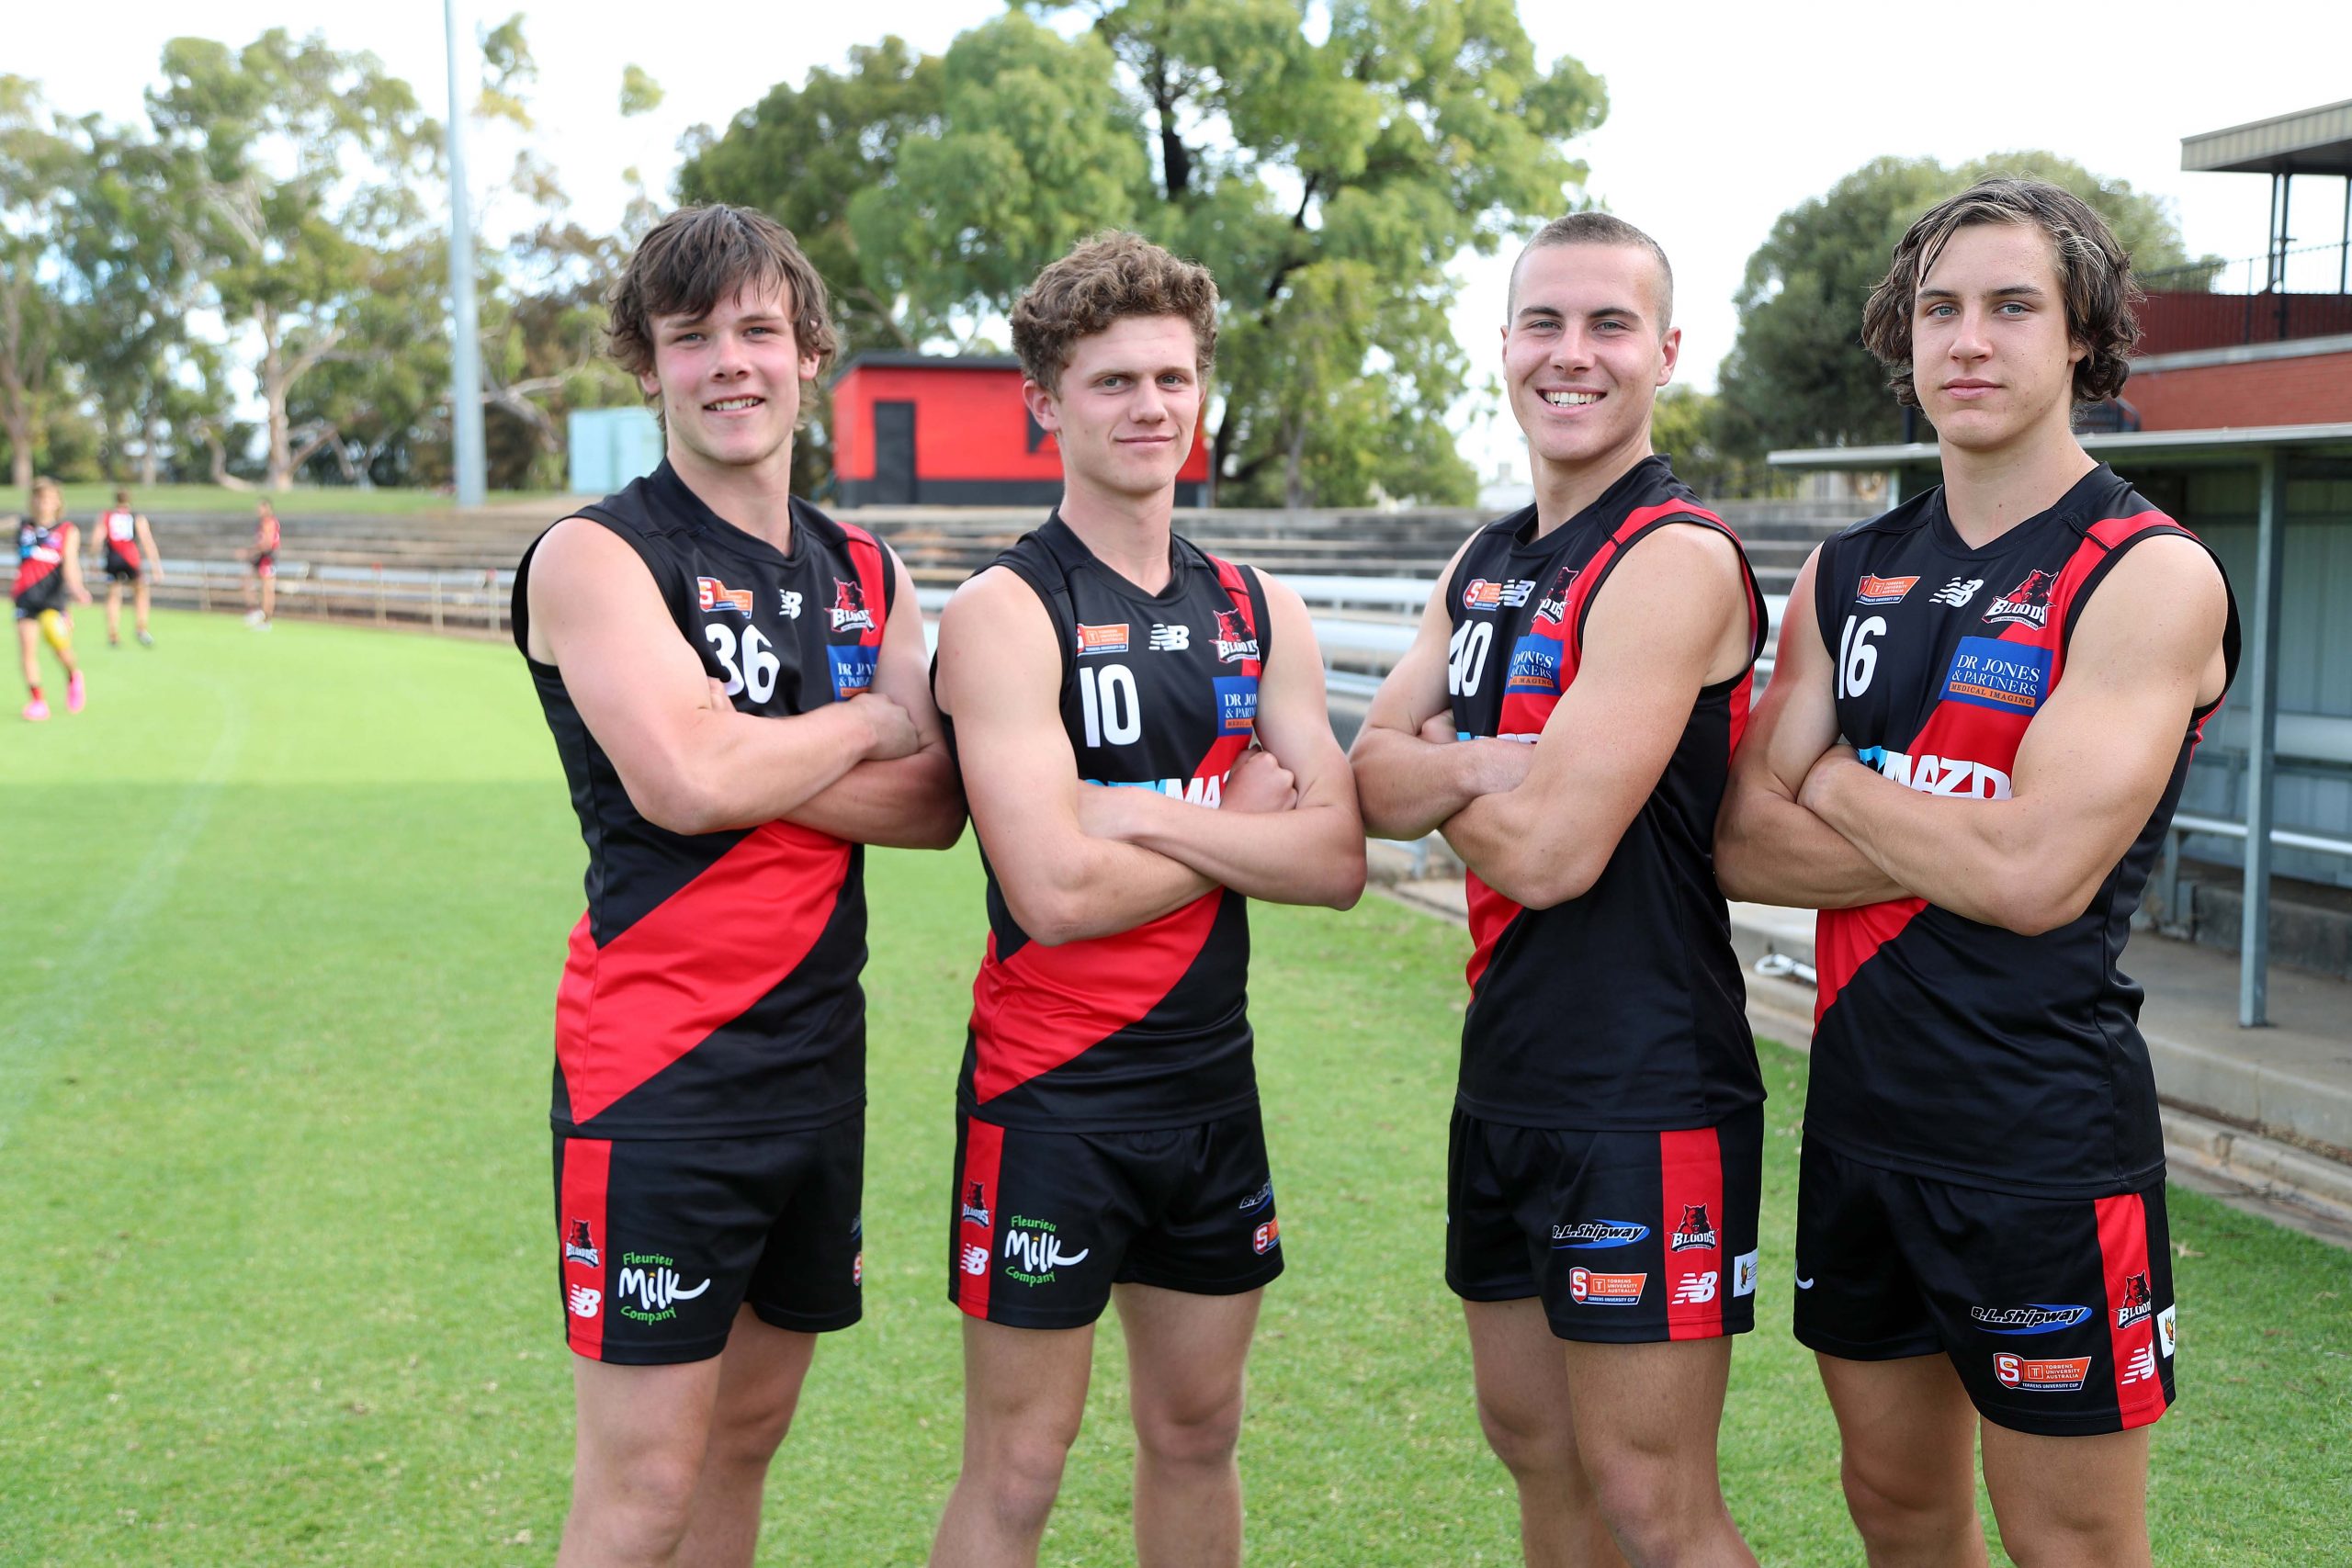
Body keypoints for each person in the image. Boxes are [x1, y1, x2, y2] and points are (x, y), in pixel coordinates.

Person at [1715, 179, 2238, 1568]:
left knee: (2070, 1545)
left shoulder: (2147, 571)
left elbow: (2032, 874)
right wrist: (1931, 819)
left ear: (2083, 339)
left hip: (2044, 1138)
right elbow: (1739, 843)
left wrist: (1822, 772)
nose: (1971, 340)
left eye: (2014, 307)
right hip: (1864, 1117)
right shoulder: (1849, 566)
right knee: (1895, 1508)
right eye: (1941, 308)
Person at [512, 203, 964, 1568]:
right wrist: (859, 725)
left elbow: (938, 803)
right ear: (645, 367)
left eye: (758, 330)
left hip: (814, 1071)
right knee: (643, 1486)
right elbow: (683, 789)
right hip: (657, 1076)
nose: (729, 362)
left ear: (808, 351)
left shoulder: (866, 569)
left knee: (746, 1443)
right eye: (690, 336)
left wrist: (734, 743)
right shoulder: (596, 555)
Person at [926, 232, 1364, 1568]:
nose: (1151, 407)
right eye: (1113, 381)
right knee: (1018, 1464)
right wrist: (1235, 828)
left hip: (1207, 1093)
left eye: (1173, 377)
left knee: (1197, 1429)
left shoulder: (1255, 604)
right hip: (1050, 1094)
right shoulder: (1007, 608)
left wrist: (1152, 815)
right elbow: (1052, 888)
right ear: (1046, 405)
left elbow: (1339, 860)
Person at [1350, 212, 1769, 1568]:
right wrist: (1491, 759)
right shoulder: (1482, 563)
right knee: (1540, 1461)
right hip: (1509, 1070)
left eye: (1607, 326)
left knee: (1653, 1499)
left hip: (1647, 1089)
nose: (1570, 354)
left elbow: (1550, 855)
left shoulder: (1675, 557)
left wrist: (1441, 777)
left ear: (1666, 354)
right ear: (1507, 345)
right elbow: (1366, 775)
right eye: (1544, 322)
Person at [15, 477, 91, 721]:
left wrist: (77, 589)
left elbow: (70, 565)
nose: (44, 503)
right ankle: (38, 701)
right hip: (25, 597)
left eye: (49, 498)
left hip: (53, 600)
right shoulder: (23, 526)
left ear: (57, 501)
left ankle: (73, 675)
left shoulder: (67, 530)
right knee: (27, 650)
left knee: (60, 647)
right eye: (39, 498)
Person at [91, 489, 163, 647]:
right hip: (131, 559)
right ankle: (141, 628)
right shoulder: (136, 517)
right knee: (141, 592)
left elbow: (96, 539)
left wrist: (93, 561)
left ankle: (113, 633)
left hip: (113, 559)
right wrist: (156, 567)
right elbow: (147, 541)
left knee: (113, 596)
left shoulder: (106, 516)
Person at [245, 500, 279, 626]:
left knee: (267, 589)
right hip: (262, 558)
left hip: (267, 559)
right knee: (249, 582)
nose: (258, 510)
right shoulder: (262, 523)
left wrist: (252, 551)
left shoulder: (269, 523)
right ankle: (259, 613)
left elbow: (268, 543)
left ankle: (266, 618)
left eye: (260, 508)